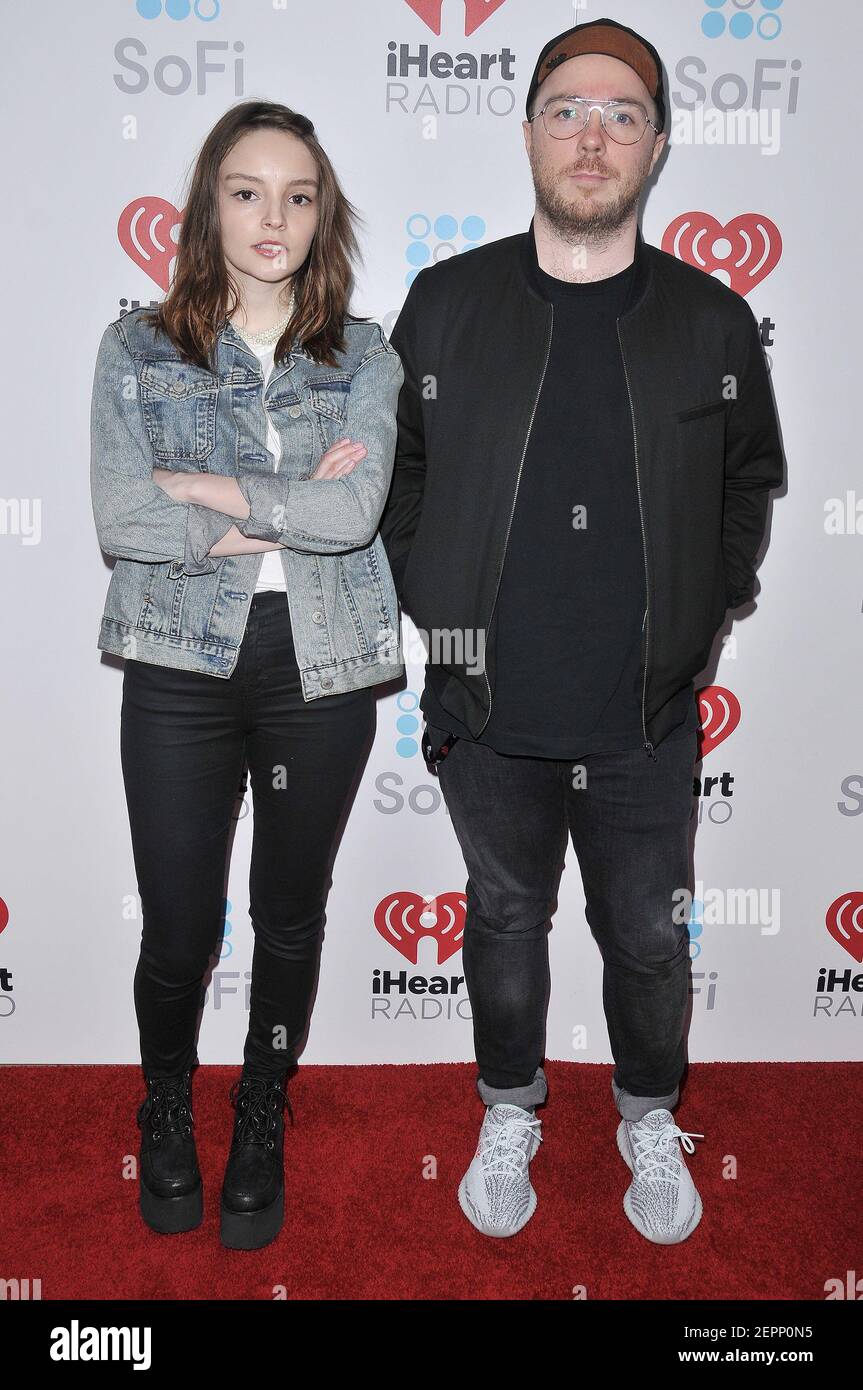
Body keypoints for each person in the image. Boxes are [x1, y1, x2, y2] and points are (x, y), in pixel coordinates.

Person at [379, 18, 783, 1244]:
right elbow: (393, 483)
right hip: (484, 714)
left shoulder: (713, 323)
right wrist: (438, 608)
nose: (590, 135)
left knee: (647, 945)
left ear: (657, 144)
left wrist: (696, 630)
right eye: (565, 108)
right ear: (527, 133)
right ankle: (511, 1107)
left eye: (618, 113)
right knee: (501, 924)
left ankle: (646, 1114)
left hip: (646, 720)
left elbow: (745, 487)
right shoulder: (444, 305)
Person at [90, 100, 404, 1250]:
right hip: (178, 663)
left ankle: (259, 1110)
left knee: (287, 917)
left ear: (321, 215)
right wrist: (284, 508)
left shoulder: (363, 354)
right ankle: (166, 1102)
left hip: (315, 668)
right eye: (245, 189)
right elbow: (125, 520)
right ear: (207, 203)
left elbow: (356, 509)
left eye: (298, 194)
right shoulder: (137, 347)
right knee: (178, 927)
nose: (271, 215)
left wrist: (210, 492)